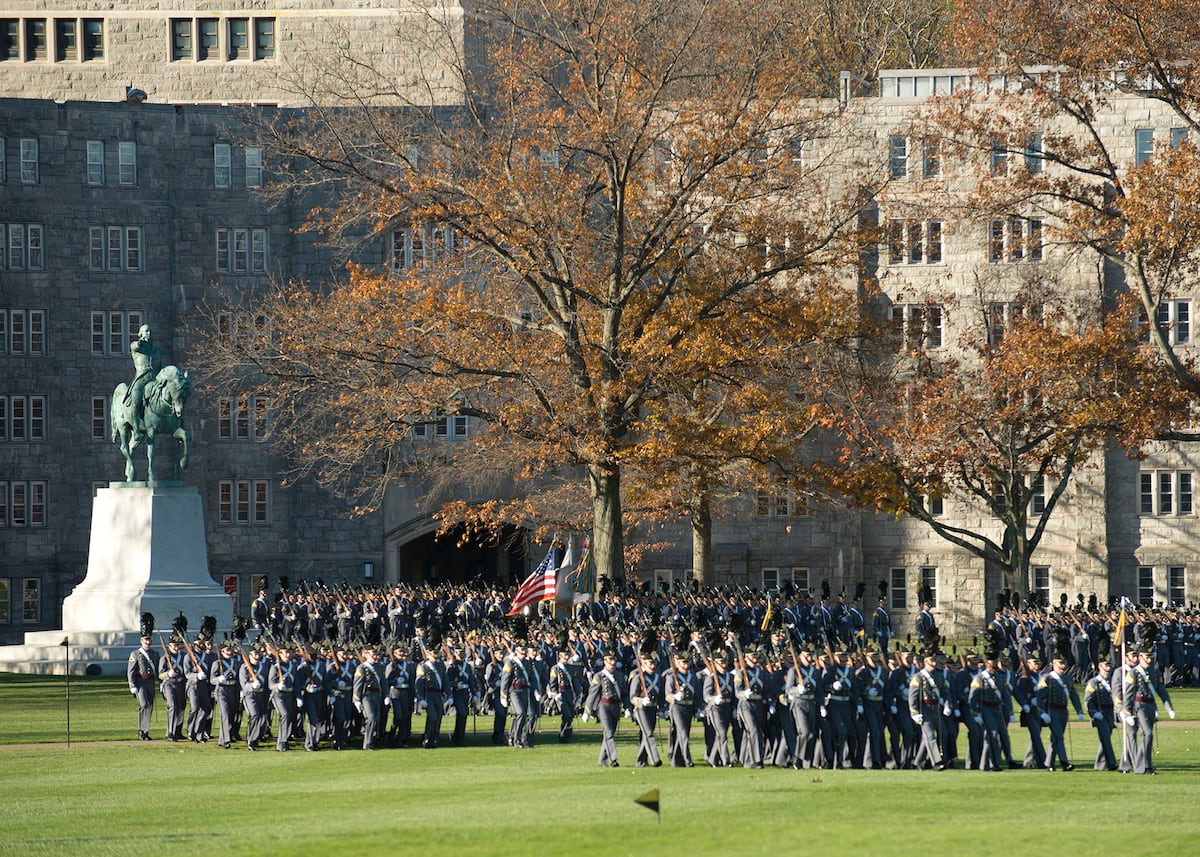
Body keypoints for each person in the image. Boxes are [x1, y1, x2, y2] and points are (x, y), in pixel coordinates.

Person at [1123, 646, 1175, 775]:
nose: (1149, 660)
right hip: (1139, 705)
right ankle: (1146, 766)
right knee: (1148, 733)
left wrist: (1169, 708)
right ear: (1140, 657)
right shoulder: (1133, 673)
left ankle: (1142, 766)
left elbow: (1161, 690)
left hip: (1151, 705)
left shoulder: (1155, 671)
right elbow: (1129, 694)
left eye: (1151, 657)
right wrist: (1127, 713)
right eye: (1147, 657)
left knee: (1147, 736)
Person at [1035, 654, 1084, 771]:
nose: (1063, 666)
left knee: (1055, 738)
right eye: (1060, 663)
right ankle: (1064, 762)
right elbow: (1039, 697)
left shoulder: (1068, 678)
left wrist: (1079, 710)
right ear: (1053, 664)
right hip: (1052, 710)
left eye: (1064, 663)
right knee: (1059, 737)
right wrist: (1042, 712)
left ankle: (1049, 764)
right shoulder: (1047, 678)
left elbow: (1073, 695)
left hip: (1063, 711)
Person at [583, 653, 624, 767]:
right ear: (605, 661)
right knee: (609, 732)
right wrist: (587, 710)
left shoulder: (619, 675)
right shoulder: (599, 676)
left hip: (616, 707)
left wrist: (628, 708)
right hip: (604, 706)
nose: (613, 662)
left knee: (609, 734)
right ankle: (613, 759)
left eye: (614, 659)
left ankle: (602, 760)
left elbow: (624, 693)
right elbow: (592, 694)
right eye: (610, 660)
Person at [908, 652, 946, 771]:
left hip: (936, 709)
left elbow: (945, 691)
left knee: (935, 736)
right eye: (931, 661)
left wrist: (948, 704)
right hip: (924, 709)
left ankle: (917, 762)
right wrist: (914, 713)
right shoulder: (918, 677)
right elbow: (912, 697)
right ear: (925, 662)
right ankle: (937, 762)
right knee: (930, 736)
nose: (934, 664)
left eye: (935, 661)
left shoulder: (939, 676)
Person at [123, 322, 162, 435]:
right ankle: (135, 429)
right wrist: (141, 342)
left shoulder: (156, 350)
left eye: (150, 331)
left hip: (155, 380)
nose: (148, 333)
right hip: (141, 379)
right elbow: (136, 346)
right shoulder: (136, 346)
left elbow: (160, 366)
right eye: (146, 331)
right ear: (140, 334)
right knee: (135, 399)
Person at [628, 653, 662, 767]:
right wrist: (641, 701)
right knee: (649, 733)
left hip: (652, 708)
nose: (652, 666)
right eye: (650, 663)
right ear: (644, 664)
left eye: (653, 663)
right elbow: (633, 697)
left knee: (646, 735)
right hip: (641, 709)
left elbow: (660, 694)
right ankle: (655, 759)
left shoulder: (657, 677)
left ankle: (640, 761)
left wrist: (662, 708)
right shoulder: (638, 677)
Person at [662, 651, 696, 767]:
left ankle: (676, 761)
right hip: (677, 707)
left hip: (689, 706)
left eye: (687, 662)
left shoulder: (692, 676)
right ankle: (688, 760)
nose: (686, 665)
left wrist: (699, 708)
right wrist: (675, 697)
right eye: (683, 662)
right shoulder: (672, 676)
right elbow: (667, 695)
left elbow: (698, 694)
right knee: (682, 733)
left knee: (682, 734)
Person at [1084, 658, 1117, 771]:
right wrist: (1094, 713)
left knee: (1105, 738)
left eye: (1109, 665)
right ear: (1100, 666)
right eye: (1106, 665)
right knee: (1105, 737)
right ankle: (1111, 763)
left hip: (1110, 713)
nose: (1108, 668)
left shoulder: (1113, 681)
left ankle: (1100, 764)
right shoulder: (1093, 682)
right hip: (1100, 712)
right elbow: (1088, 700)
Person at [210, 641, 242, 749]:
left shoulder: (236, 662)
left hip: (233, 689)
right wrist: (218, 679)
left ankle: (223, 738)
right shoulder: (217, 663)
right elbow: (212, 679)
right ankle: (226, 740)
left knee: (232, 714)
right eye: (227, 650)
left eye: (231, 650)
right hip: (222, 690)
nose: (229, 652)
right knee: (225, 714)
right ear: (222, 651)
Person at [353, 647, 385, 750]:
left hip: (377, 695)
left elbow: (384, 682)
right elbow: (357, 685)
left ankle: (372, 741)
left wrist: (387, 695)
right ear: (366, 655)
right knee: (371, 718)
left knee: (376, 719)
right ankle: (368, 743)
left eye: (376, 654)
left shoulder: (379, 667)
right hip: (366, 696)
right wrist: (356, 699)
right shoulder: (362, 668)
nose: (375, 657)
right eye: (373, 654)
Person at [127, 633, 158, 741]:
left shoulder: (154, 654)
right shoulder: (135, 654)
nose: (148, 642)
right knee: (143, 704)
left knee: (149, 706)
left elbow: (157, 669)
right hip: (140, 682)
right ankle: (141, 729)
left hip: (150, 682)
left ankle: (145, 731)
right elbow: (131, 671)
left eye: (149, 640)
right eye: (146, 640)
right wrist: (132, 685)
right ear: (141, 641)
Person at [268, 643, 298, 751]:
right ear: (280, 654)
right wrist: (278, 685)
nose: (288, 654)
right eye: (286, 652)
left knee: (288, 716)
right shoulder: (275, 667)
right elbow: (270, 684)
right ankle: (281, 743)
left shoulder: (293, 666)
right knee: (284, 715)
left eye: (289, 652)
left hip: (289, 694)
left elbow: (296, 682)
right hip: (278, 695)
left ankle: (284, 740)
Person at [157, 636, 188, 742]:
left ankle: (177, 731)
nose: (176, 647)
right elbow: (160, 675)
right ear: (169, 646)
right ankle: (170, 732)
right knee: (173, 706)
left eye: (178, 645)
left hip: (180, 684)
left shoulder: (183, 656)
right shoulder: (165, 658)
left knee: (181, 707)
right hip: (169, 684)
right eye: (174, 645)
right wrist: (168, 674)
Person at [415, 647, 446, 748]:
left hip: (438, 695)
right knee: (432, 717)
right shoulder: (423, 666)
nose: (436, 656)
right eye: (433, 654)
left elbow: (445, 681)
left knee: (438, 717)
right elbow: (418, 683)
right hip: (429, 695)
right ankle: (427, 737)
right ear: (428, 655)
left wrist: (449, 695)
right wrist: (420, 698)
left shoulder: (440, 665)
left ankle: (435, 739)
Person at [386, 644, 416, 747]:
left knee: (405, 717)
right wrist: (394, 681)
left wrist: (414, 695)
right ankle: (391, 735)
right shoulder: (391, 666)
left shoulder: (408, 665)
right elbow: (387, 681)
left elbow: (411, 680)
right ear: (394, 654)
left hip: (406, 692)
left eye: (403, 652)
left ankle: (401, 740)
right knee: (398, 716)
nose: (402, 654)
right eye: (400, 652)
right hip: (395, 693)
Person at [547, 648, 578, 743]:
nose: (567, 657)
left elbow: (575, 682)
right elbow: (552, 683)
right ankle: (563, 735)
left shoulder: (572, 667)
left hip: (569, 693)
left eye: (568, 655)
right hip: (561, 693)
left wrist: (578, 695)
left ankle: (567, 736)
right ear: (560, 656)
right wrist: (555, 694)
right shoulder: (555, 668)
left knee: (570, 715)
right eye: (565, 655)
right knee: (567, 714)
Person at [239, 647, 268, 751]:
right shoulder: (244, 667)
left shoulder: (263, 666)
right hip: (249, 695)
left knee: (258, 716)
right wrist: (252, 685)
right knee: (254, 715)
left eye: (258, 654)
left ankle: (253, 739)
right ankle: (251, 741)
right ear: (250, 655)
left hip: (260, 694)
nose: (257, 656)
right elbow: (243, 683)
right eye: (255, 654)